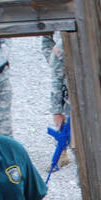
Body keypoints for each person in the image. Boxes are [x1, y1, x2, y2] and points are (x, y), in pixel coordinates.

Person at [40, 33, 72, 174]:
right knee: (64, 128)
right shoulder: (60, 44)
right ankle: (62, 154)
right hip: (69, 94)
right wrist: (57, 111)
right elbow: (46, 41)